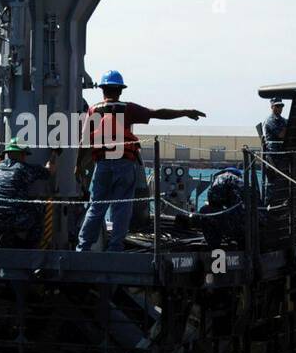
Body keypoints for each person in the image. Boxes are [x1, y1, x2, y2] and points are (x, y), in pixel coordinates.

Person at [75, 70, 205, 252]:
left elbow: (84, 142)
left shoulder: (93, 110)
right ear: (120, 90)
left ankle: (82, 248)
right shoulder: (127, 108)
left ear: (102, 90)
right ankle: (115, 248)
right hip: (124, 165)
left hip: (102, 165)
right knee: (122, 208)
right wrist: (185, 112)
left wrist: (78, 166)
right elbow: (157, 113)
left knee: (96, 208)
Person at [0, 140, 54, 248]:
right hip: (15, 218)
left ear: (7, 154)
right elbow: (49, 171)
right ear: (22, 154)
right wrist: (54, 154)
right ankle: (30, 246)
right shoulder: (24, 169)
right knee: (39, 206)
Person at [198, 167, 245, 248]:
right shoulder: (245, 184)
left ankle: (214, 245)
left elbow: (212, 198)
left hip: (235, 223)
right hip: (251, 226)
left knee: (204, 211)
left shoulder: (223, 178)